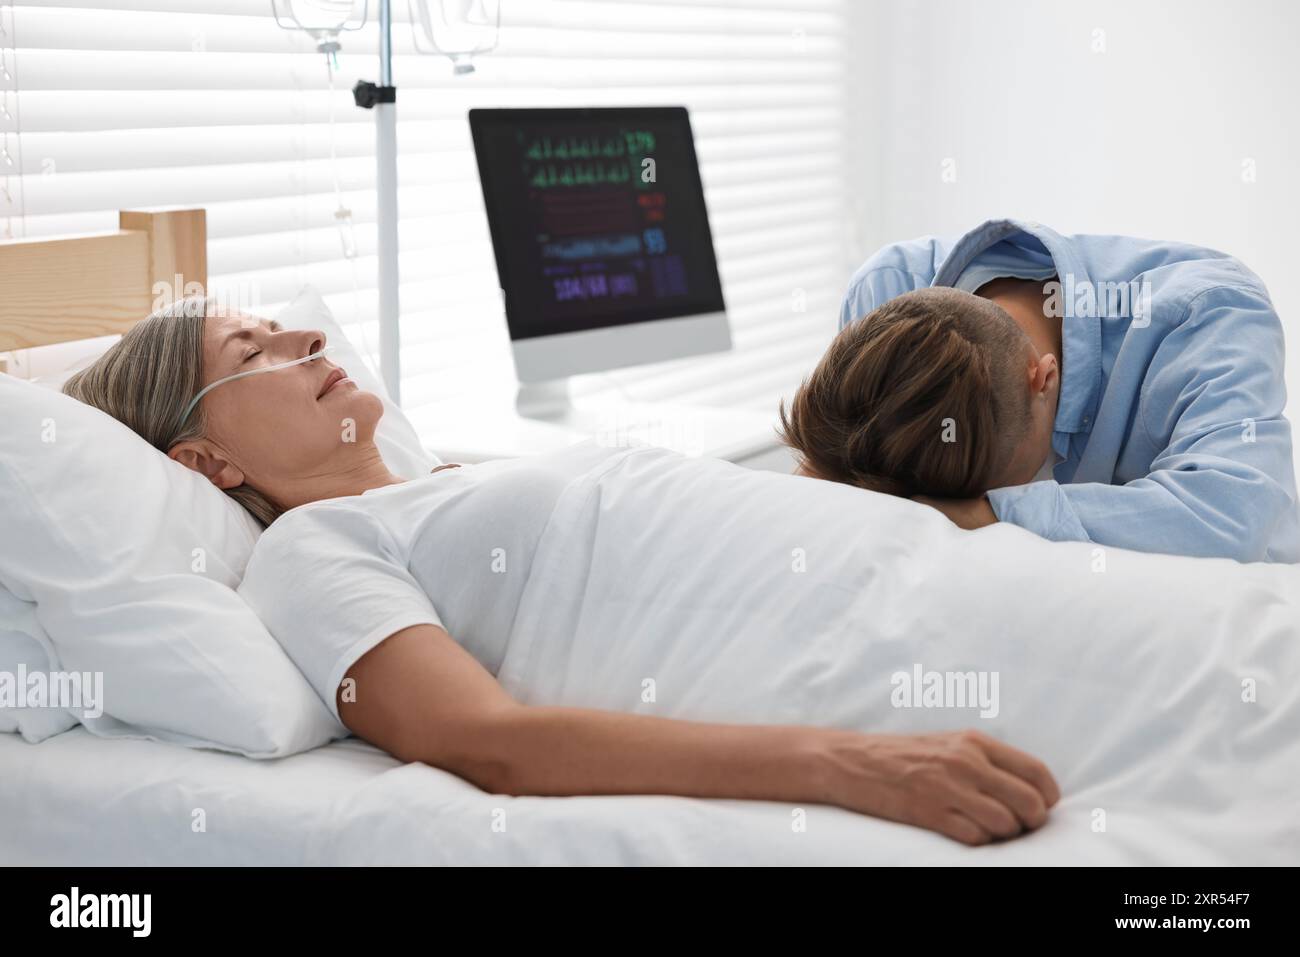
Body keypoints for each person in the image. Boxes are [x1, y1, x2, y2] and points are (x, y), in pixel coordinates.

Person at [62, 298, 1060, 848]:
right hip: (887, 649)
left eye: (284, 325)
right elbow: (489, 745)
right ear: (204, 462)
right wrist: (849, 765)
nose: (305, 338)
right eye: (254, 348)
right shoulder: (310, 554)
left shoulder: (435, 485)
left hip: (928, 578)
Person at [779, 219, 1300, 562]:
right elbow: (832, 476)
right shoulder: (886, 288)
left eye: (989, 486)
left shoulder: (1211, 316)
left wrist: (984, 514)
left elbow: (1232, 517)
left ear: (1043, 379)